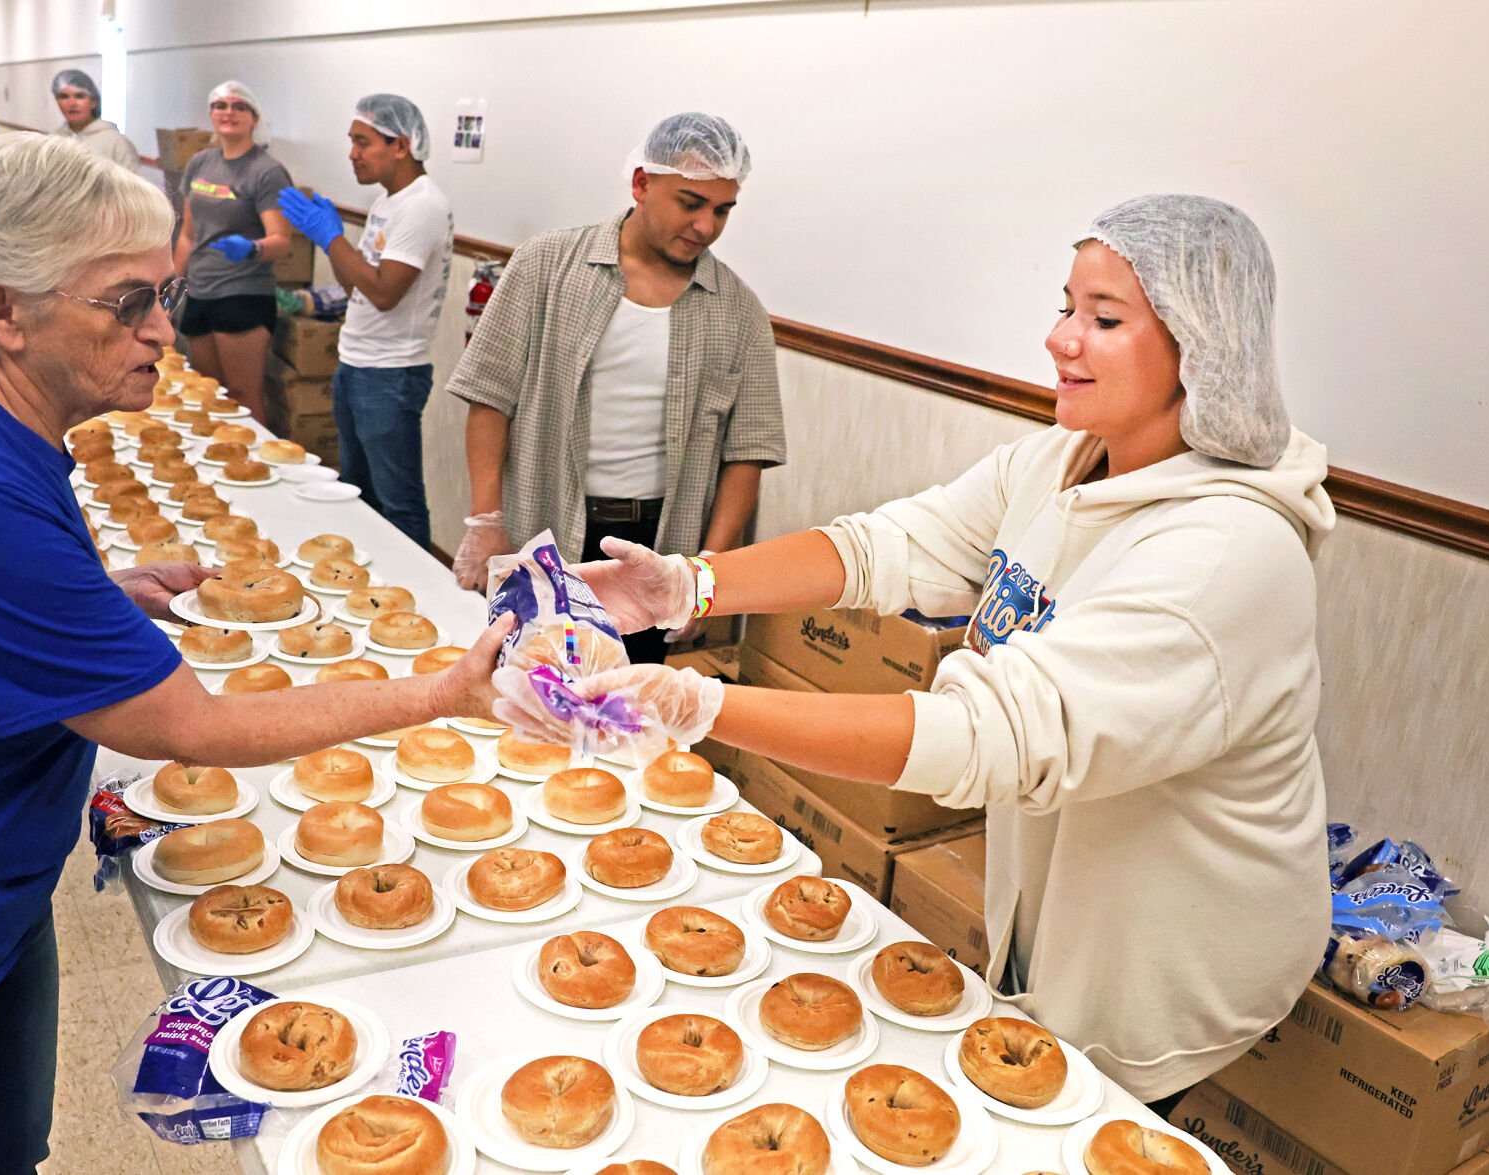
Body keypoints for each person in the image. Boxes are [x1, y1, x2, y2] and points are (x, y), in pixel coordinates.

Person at [503, 194, 1335, 1108]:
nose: (1061, 339)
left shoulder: (1226, 553)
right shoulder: (1063, 459)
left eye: (1102, 319)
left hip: (1166, 951)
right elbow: (888, 547)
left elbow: (990, 736)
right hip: (1060, 894)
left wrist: (696, 707)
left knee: (1105, 1117)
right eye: (1065, 306)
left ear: (1202, 346)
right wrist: (689, 586)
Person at [0, 133, 510, 1174]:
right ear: (0, 309)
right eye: (126, 302)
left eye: (166, 293)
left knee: (8, 1153)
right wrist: (447, 689)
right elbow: (195, 726)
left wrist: (88, 599)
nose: (162, 330)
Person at [447, 112, 785, 665]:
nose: (706, 226)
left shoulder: (738, 311)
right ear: (641, 185)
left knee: (623, 712)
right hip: (546, 525)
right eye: (690, 203)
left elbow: (747, 453)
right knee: (522, 693)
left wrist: (709, 574)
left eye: (722, 210)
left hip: (656, 548)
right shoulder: (547, 266)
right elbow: (490, 396)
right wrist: (487, 520)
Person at [279, 93, 453, 550]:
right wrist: (337, 244)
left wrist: (331, 238)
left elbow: (384, 292)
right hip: (356, 364)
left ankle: (419, 603)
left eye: (363, 142)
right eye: (351, 141)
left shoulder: (421, 205)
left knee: (399, 503)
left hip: (390, 374)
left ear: (400, 145)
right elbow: (358, 284)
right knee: (357, 492)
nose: (352, 153)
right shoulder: (388, 202)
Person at [173, 80, 294, 424]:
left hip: (243, 293)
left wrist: (252, 249)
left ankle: (259, 467)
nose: (229, 113)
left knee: (242, 394)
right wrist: (169, 285)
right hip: (201, 290)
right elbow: (187, 234)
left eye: (239, 107)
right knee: (208, 391)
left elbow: (281, 241)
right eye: (221, 106)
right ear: (211, 114)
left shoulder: (267, 171)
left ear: (254, 118)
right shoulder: (199, 163)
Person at [50, 68, 140, 172]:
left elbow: (132, 186)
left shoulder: (117, 143)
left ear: (94, 102)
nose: (72, 104)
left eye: (79, 96)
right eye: (64, 96)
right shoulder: (54, 140)